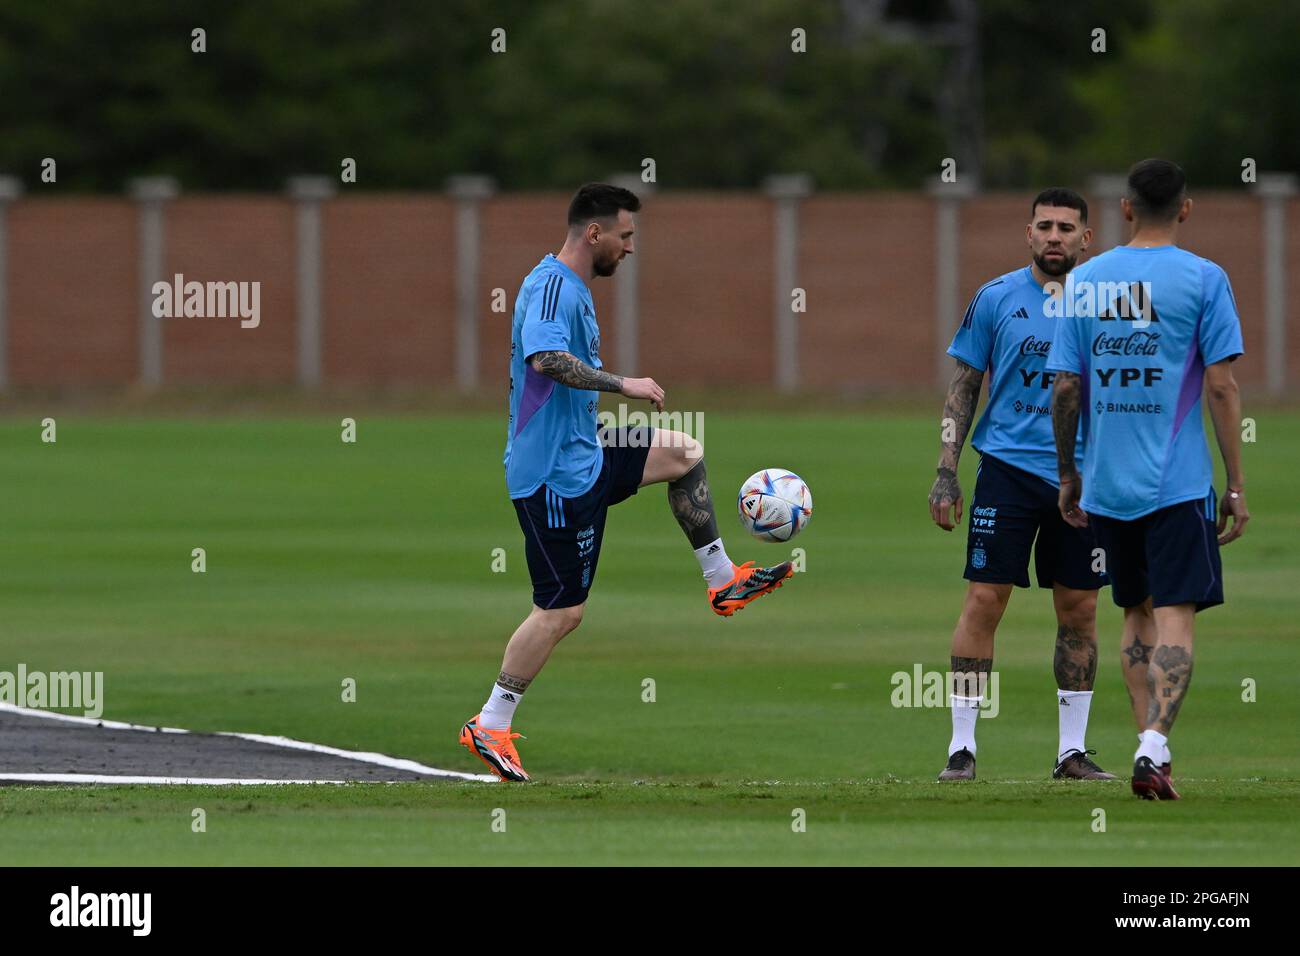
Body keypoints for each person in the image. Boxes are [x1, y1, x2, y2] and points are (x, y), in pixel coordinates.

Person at [460, 183, 795, 782]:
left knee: (683, 452)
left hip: (585, 455)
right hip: (552, 480)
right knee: (561, 613)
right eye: (626, 235)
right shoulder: (549, 287)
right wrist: (624, 385)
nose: (631, 247)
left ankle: (723, 581)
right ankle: (490, 722)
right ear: (595, 234)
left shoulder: (578, 289)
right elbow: (545, 361)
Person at [1047, 158, 1249, 800]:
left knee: (1132, 611)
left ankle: (1147, 750)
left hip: (1108, 484)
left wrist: (1069, 472)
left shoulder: (1085, 279)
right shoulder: (1204, 279)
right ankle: (1154, 746)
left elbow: (1066, 386)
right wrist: (1236, 483)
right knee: (1177, 612)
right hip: (1178, 484)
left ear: (1126, 209)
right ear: (1185, 209)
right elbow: (1220, 383)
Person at [929, 187, 1114, 782]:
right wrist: (945, 471)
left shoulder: (1107, 301)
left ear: (1087, 238)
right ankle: (961, 749)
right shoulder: (996, 297)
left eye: (1066, 227)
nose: (1054, 236)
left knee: (1079, 608)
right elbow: (964, 385)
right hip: (1006, 469)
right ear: (1027, 234)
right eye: (1044, 226)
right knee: (985, 600)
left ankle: (1071, 753)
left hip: (1084, 477)